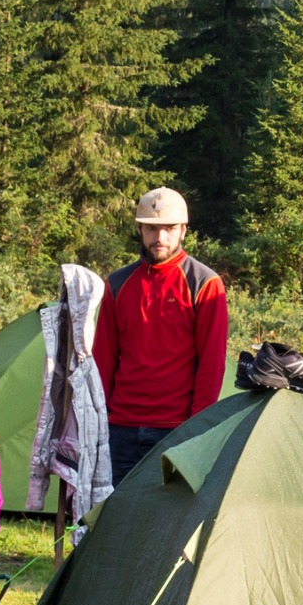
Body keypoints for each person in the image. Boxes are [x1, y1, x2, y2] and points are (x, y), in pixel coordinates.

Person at [93, 186, 229, 485]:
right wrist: (98, 421)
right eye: (152, 229)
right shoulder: (117, 284)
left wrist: (195, 431)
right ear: (140, 229)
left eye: (169, 228)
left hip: (176, 428)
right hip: (120, 428)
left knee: (166, 526)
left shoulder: (205, 284)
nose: (160, 237)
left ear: (183, 230)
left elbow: (211, 364)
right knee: (117, 519)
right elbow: (103, 360)